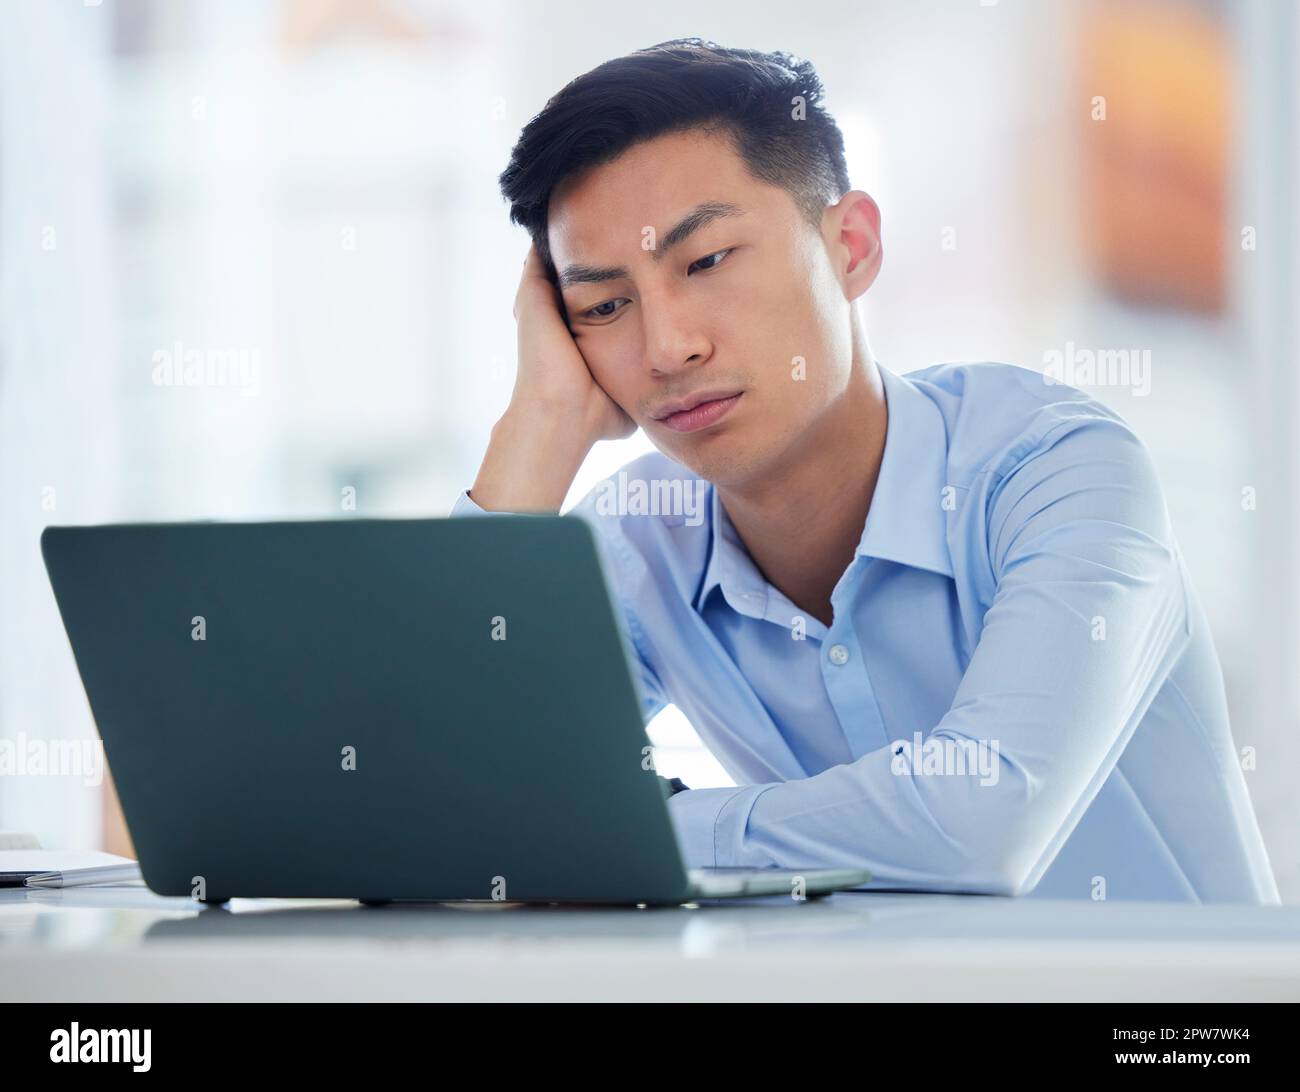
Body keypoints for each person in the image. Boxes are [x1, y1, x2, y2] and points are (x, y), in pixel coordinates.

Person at [451, 38, 1278, 902]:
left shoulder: (1057, 471)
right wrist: (538, 427)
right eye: (605, 306)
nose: (667, 348)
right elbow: (433, 791)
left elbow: (980, 826)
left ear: (851, 245)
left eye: (705, 262)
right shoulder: (638, 544)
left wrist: (638, 825)